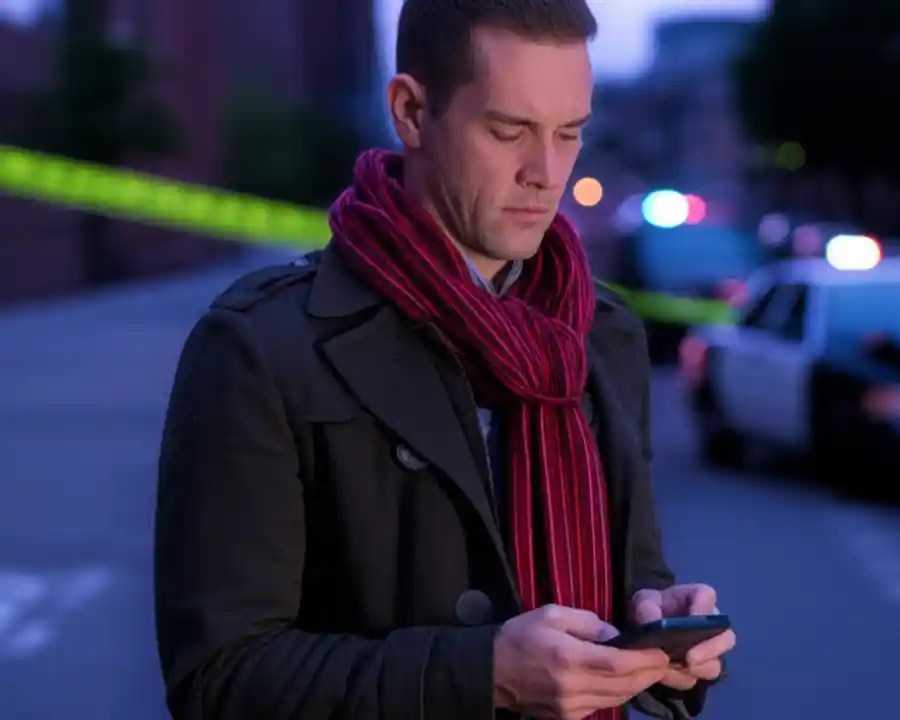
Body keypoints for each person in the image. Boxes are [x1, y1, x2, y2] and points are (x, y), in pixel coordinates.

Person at [152, 1, 735, 718]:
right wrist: (481, 673)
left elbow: (630, 577)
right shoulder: (259, 346)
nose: (545, 172)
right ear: (410, 112)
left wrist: (661, 630)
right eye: (508, 129)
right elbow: (218, 680)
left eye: (570, 133)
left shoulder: (602, 333)